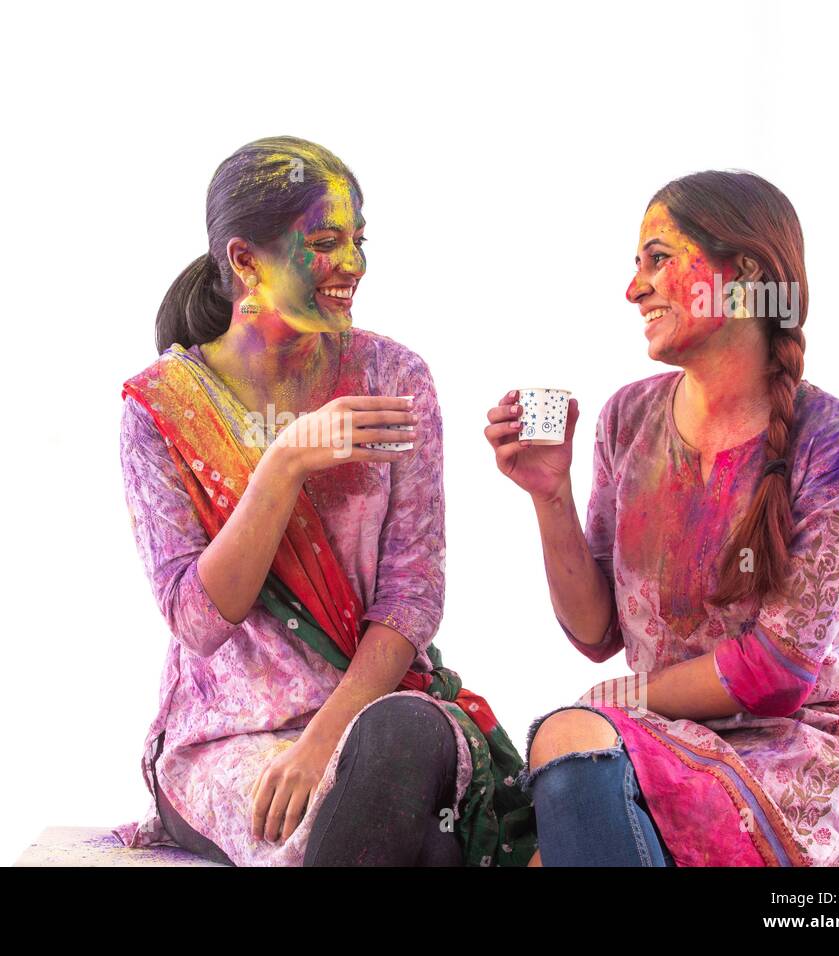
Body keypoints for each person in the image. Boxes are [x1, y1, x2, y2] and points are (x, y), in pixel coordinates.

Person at [114, 136, 534, 866]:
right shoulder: (164, 408)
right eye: (325, 243)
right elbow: (199, 620)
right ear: (246, 261)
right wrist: (285, 464)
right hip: (226, 738)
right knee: (427, 851)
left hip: (373, 712)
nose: (354, 267)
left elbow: (412, 596)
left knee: (401, 738)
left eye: (360, 241)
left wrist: (322, 742)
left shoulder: (393, 375)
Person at [486, 170, 839, 866]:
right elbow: (596, 631)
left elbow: (778, 671)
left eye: (657, 259)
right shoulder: (627, 418)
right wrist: (548, 495)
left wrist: (626, 699)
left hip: (791, 757)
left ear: (743, 277)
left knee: (568, 741)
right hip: (658, 743)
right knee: (561, 788)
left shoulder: (836, 444)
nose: (633, 287)